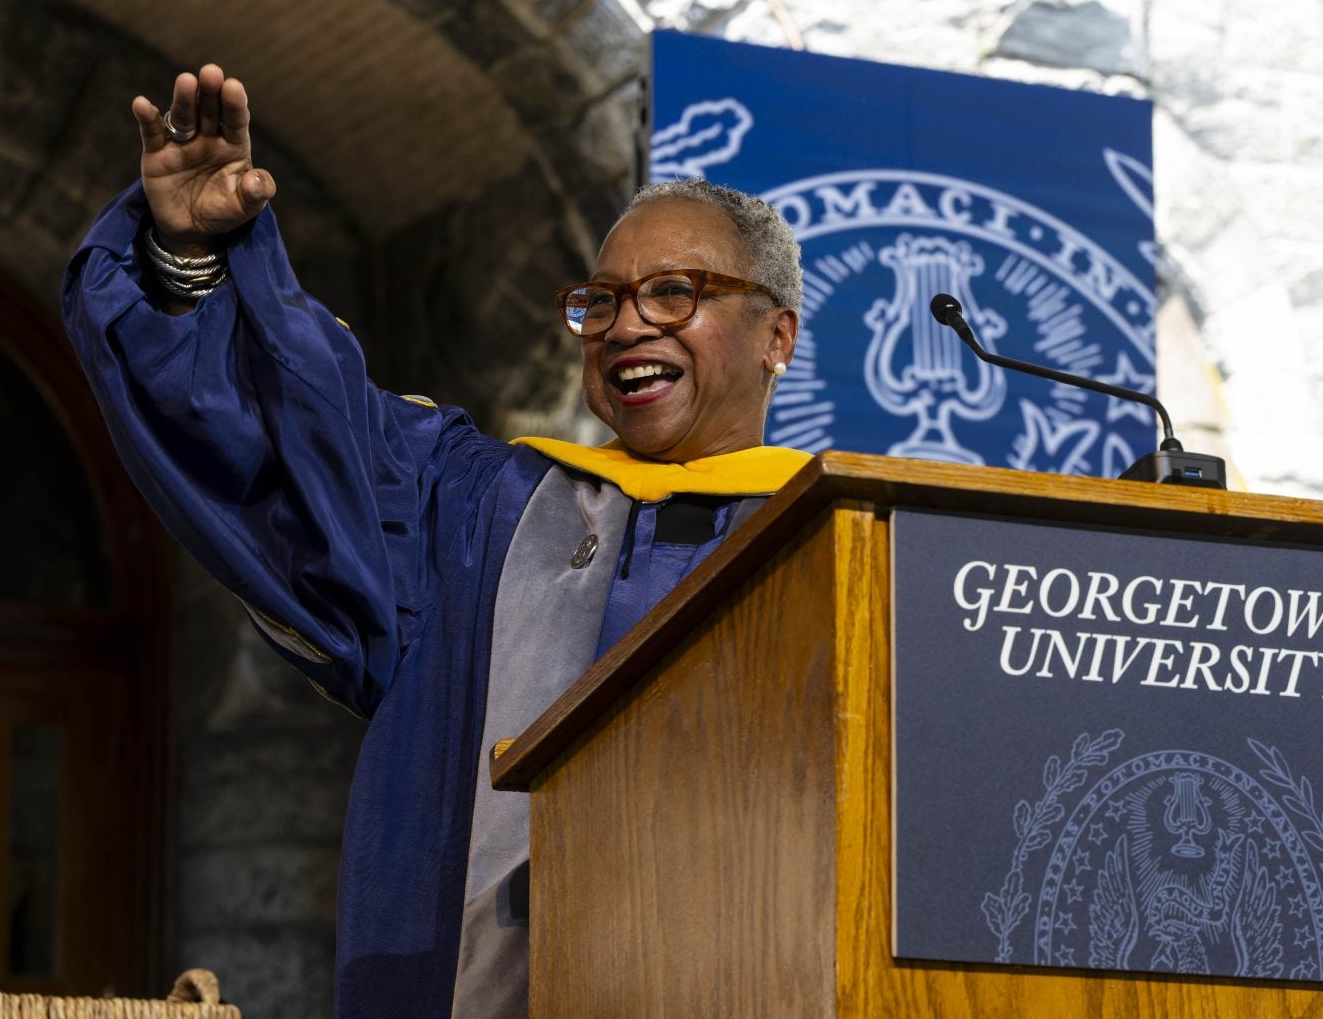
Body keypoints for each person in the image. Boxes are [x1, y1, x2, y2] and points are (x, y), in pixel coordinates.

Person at [62, 64, 805, 1018]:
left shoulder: (844, 548)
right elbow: (295, 429)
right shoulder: (481, 511)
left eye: (674, 293)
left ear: (775, 336)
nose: (626, 326)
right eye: (603, 301)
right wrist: (191, 260)